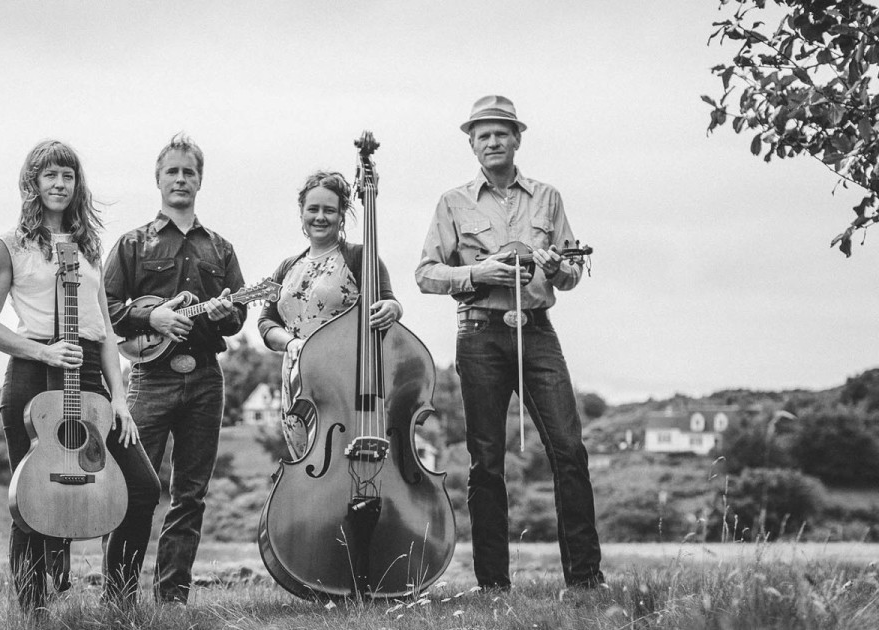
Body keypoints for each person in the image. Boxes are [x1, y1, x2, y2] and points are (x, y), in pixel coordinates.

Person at [415, 95, 605, 590]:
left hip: (537, 332)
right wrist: (476, 271)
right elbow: (425, 274)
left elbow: (570, 276)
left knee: (569, 450)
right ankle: (492, 585)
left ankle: (585, 580)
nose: (493, 141)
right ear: (472, 144)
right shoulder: (452, 202)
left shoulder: (548, 197)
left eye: (502, 132)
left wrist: (559, 268)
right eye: (484, 135)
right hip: (478, 333)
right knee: (486, 461)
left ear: (517, 139)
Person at [0, 140, 161, 615]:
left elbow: (106, 332)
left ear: (78, 185)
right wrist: (44, 351)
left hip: (92, 378)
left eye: (68, 176)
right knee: (31, 504)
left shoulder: (90, 248)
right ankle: (33, 614)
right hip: (33, 378)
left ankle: (119, 601)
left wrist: (120, 399)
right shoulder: (10, 245)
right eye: (50, 175)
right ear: (32, 183)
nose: (60, 184)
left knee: (143, 487)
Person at [103, 133, 246, 604]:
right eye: (173, 172)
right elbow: (104, 308)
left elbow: (240, 313)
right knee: (130, 489)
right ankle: (119, 600)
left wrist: (230, 314)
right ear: (158, 179)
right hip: (148, 381)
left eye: (189, 172)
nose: (181, 179)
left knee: (190, 496)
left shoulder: (221, 250)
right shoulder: (131, 244)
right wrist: (152, 316)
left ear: (200, 180)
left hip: (206, 378)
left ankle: (172, 603)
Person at [257, 170, 402, 459]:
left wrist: (393, 309)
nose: (320, 217)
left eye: (329, 210)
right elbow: (265, 322)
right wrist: (290, 343)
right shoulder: (287, 266)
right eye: (313, 209)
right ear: (302, 213)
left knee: (340, 462)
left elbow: (389, 302)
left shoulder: (361, 257)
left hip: (344, 381)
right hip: (297, 383)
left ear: (342, 216)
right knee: (307, 466)